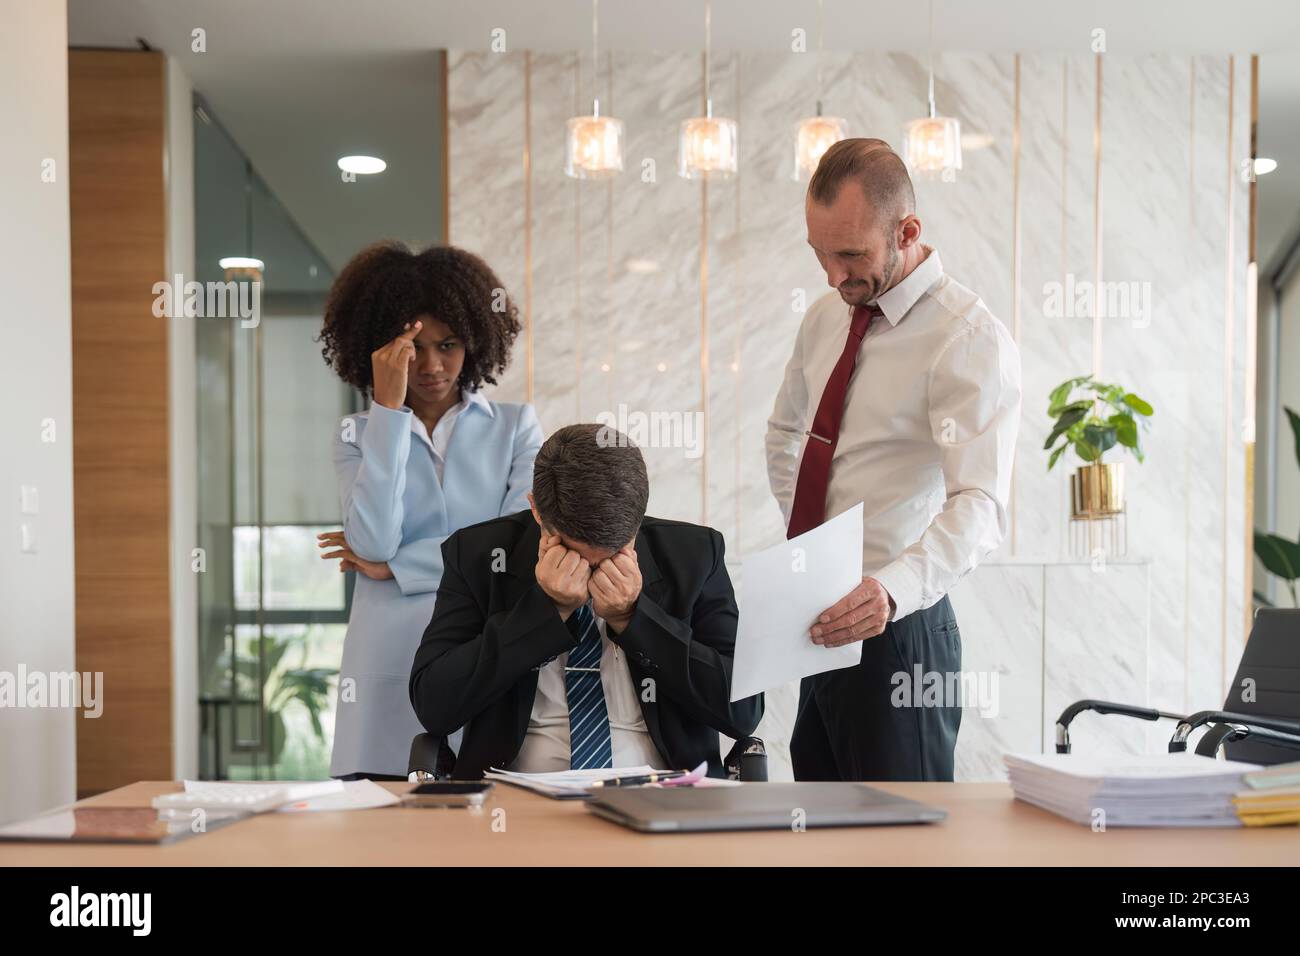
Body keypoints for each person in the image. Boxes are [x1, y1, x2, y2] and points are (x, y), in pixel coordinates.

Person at [766, 138, 1022, 782]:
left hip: (900, 633)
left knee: (900, 844)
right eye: (820, 254)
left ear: (907, 231)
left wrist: (888, 589)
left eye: (850, 254)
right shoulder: (827, 317)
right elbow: (785, 435)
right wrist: (814, 552)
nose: (832, 276)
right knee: (821, 832)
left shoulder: (966, 338)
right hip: (820, 618)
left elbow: (981, 504)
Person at [409, 423, 762, 778]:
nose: (594, 570)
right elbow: (434, 706)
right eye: (573, 552)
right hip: (518, 795)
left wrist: (634, 619)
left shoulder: (695, 554)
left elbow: (743, 711)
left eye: (615, 553)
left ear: (638, 520)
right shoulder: (479, 555)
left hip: (665, 793)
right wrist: (546, 611)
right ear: (536, 510)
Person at [317, 241, 543, 779]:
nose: (433, 365)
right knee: (378, 833)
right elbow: (371, 542)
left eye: (450, 344)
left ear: (474, 342)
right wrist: (388, 412)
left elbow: (510, 551)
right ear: (380, 349)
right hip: (386, 661)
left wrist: (396, 567)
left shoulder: (516, 428)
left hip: (480, 655)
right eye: (413, 348)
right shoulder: (357, 433)